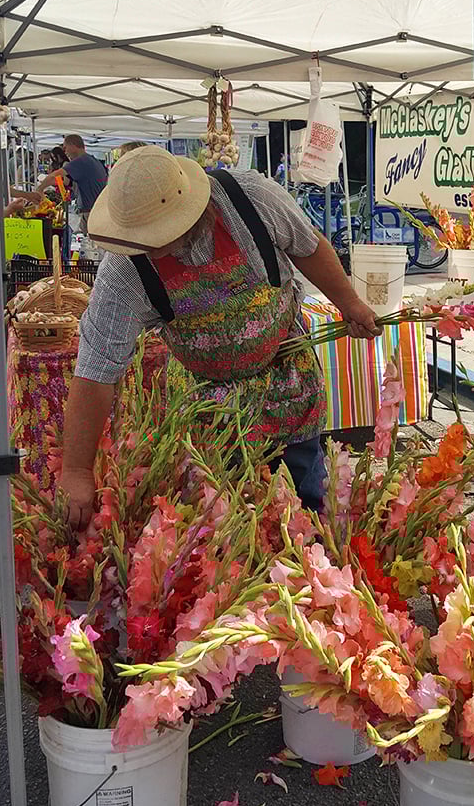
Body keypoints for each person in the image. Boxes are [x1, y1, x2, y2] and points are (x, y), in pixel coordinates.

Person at [59, 147, 380, 530]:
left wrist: (349, 303)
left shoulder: (252, 197)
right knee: (223, 528)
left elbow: (308, 248)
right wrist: (76, 470)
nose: (153, 246)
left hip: (287, 389)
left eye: (161, 234)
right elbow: (96, 369)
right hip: (208, 412)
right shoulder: (124, 270)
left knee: (306, 513)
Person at [36, 134, 108, 232]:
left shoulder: (81, 161)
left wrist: (39, 189)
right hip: (96, 211)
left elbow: (54, 175)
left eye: (65, 148)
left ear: (74, 145)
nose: (65, 152)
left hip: (90, 212)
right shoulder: (91, 160)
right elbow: (69, 182)